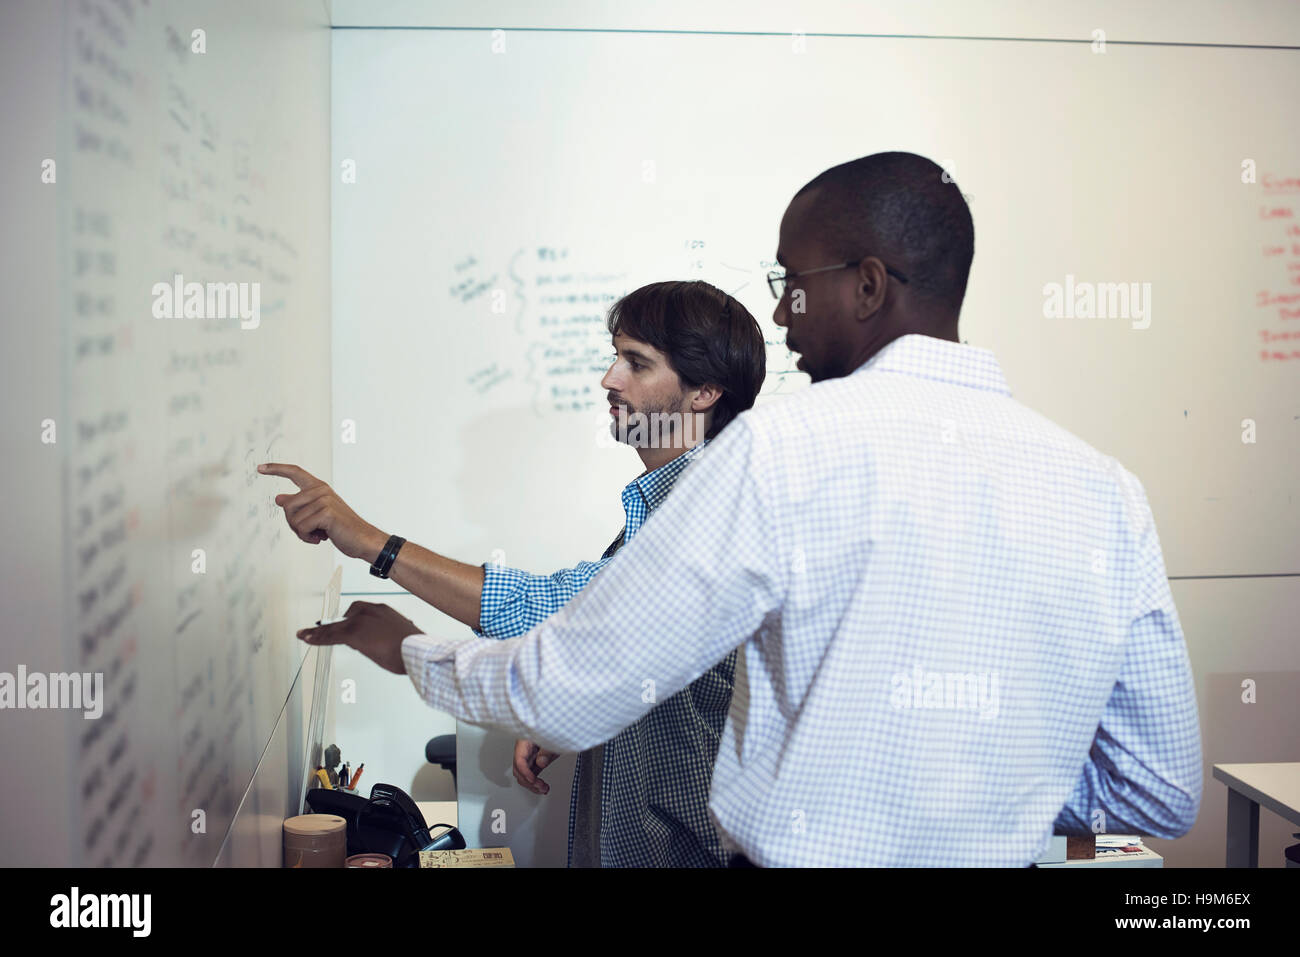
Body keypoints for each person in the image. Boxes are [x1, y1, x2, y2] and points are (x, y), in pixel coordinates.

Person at [298, 152, 1202, 866]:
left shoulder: (782, 454)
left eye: (791, 281)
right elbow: (1158, 790)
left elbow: (564, 683)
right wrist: (975, 793)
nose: (782, 314)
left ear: (870, 285)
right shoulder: (1105, 490)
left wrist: (407, 649)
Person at [263, 279, 767, 867]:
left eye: (636, 362)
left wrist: (373, 546)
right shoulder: (672, 502)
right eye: (615, 356)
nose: (610, 379)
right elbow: (634, 656)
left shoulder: (703, 513)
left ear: (704, 391)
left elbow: (549, 612)